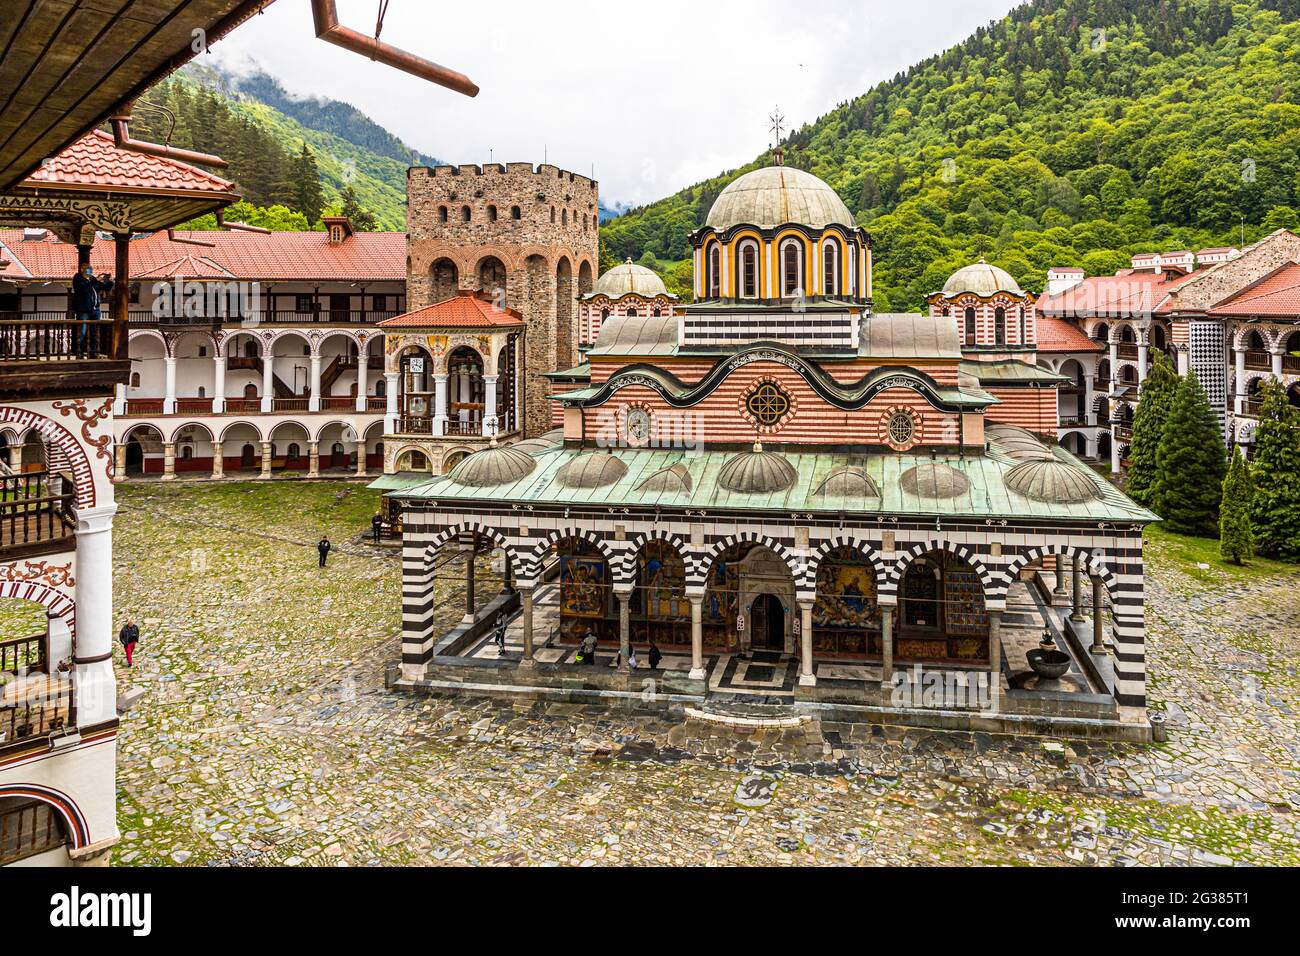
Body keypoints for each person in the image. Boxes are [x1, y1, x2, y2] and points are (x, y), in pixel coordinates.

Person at [71, 263, 112, 354]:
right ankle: (79, 351)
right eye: (88, 268)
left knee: (94, 332)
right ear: (82, 269)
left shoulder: (92, 279)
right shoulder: (78, 279)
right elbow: (83, 289)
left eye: (90, 268)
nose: (90, 270)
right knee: (82, 332)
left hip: (95, 310)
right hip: (83, 310)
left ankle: (93, 351)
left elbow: (105, 288)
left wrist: (110, 281)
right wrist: (94, 281)